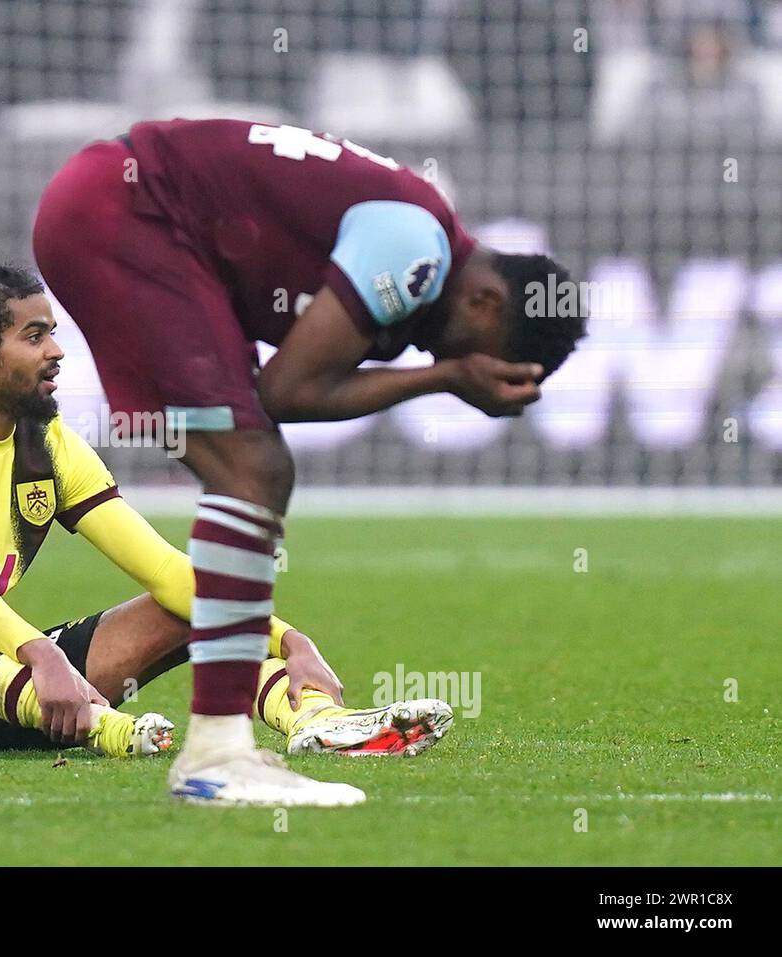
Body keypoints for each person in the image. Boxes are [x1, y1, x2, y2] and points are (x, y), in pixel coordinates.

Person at [33, 119, 585, 804]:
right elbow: (289, 388)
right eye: (477, 349)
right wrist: (449, 378)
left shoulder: (420, 244)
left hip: (121, 208)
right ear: (485, 300)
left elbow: (293, 393)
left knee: (254, 466)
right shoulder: (420, 252)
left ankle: (221, 747)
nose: (447, 361)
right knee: (254, 469)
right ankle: (217, 754)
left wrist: (450, 372)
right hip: (129, 210)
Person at [0, 259, 449, 802]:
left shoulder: (47, 444)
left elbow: (163, 567)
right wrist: (42, 655)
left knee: (186, 604)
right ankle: (99, 725)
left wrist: (286, 634)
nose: (57, 351)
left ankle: (313, 720)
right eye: (35, 336)